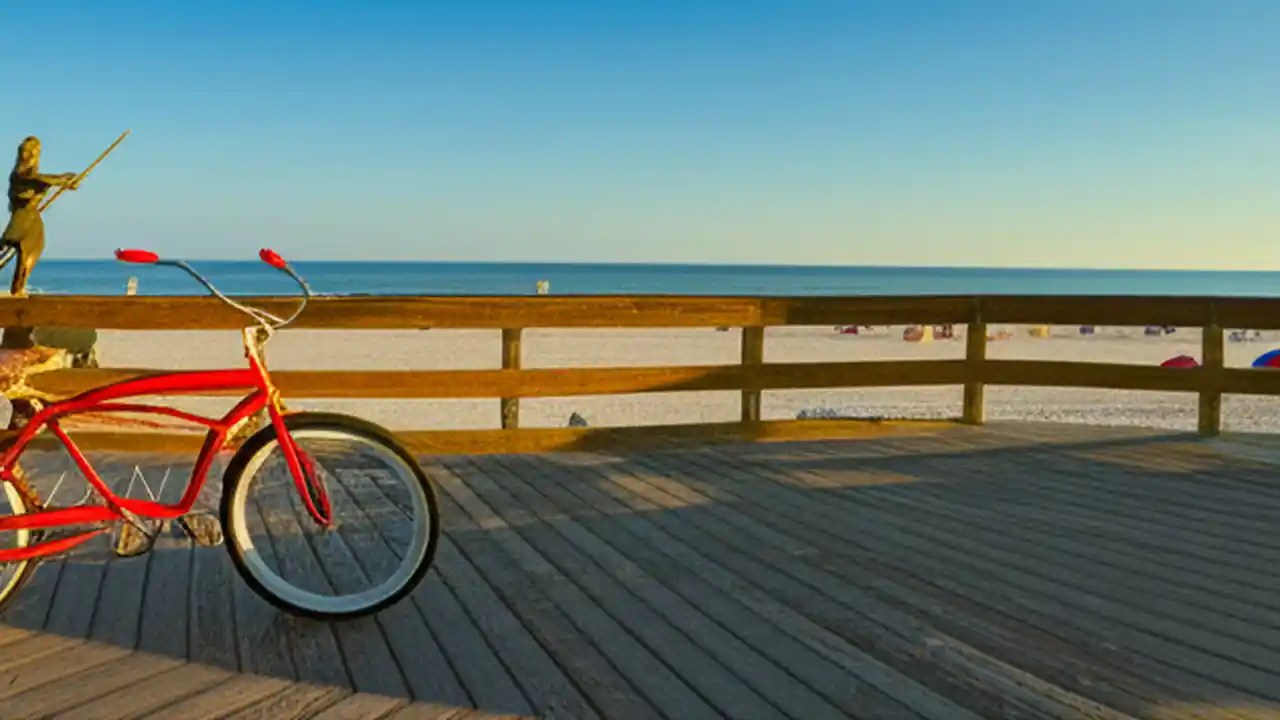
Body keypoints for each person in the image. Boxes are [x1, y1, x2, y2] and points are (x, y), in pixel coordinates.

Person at [2, 136, 78, 297]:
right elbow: (36, 180)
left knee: (32, 250)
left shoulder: (32, 175)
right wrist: (62, 180)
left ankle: (18, 288)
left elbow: (41, 180)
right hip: (22, 216)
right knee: (11, 248)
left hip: (32, 216)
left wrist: (63, 181)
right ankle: (17, 289)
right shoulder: (20, 175)